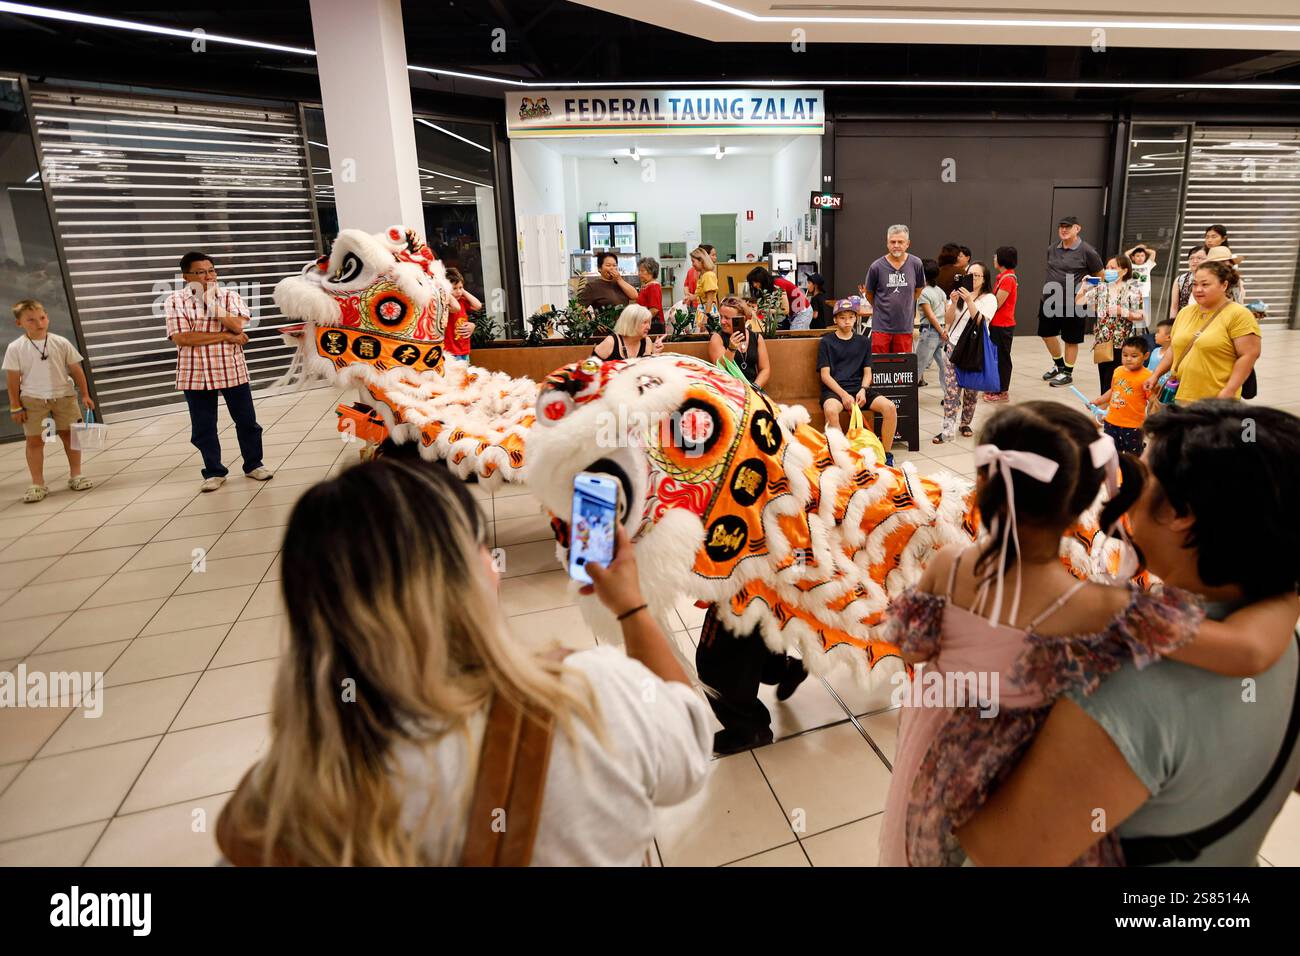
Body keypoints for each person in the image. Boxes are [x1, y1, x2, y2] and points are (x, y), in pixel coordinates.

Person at [216, 457, 713, 866]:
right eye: (481, 548)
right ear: (461, 576)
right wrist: (631, 606)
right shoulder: (591, 700)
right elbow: (689, 742)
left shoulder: (277, 808)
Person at [880, 401, 1298, 866]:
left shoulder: (949, 563)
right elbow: (1247, 651)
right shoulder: (1100, 607)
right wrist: (1287, 597)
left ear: (983, 486)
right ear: (1079, 504)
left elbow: (912, 647)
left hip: (933, 743)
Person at [164, 251, 272, 493]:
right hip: (195, 373)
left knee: (247, 422)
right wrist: (225, 336)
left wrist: (211, 302)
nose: (208, 276)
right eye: (200, 272)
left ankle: (254, 464)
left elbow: (237, 326)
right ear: (186, 277)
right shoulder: (174, 300)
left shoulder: (230, 296)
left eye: (211, 271)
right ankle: (214, 471)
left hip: (231, 369)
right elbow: (182, 338)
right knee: (203, 428)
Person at [5, 299, 95, 503]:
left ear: (48, 318)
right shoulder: (15, 347)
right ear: (19, 323)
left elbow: (76, 370)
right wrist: (15, 406)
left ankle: (76, 474)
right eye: (31, 320)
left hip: (64, 396)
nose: (39, 323)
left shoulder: (61, 342)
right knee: (35, 441)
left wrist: (85, 394)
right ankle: (37, 483)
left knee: (70, 436)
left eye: (42, 317)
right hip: (32, 399)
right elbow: (12, 379)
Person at [1144, 258, 1260, 404]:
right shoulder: (1185, 312)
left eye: (1205, 284)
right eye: (1195, 284)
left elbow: (1248, 355)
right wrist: (1156, 375)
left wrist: (1229, 390)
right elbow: (1174, 349)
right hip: (1177, 395)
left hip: (1214, 400)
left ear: (1224, 285)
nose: (1198, 289)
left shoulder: (1239, 315)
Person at [818, 298, 897, 465]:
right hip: (835, 390)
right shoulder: (826, 342)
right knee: (830, 410)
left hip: (859, 388)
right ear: (835, 319)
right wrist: (843, 395)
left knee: (890, 407)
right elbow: (825, 376)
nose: (847, 321)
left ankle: (885, 455)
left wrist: (863, 389)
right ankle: (840, 457)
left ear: (856, 318)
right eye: (842, 317)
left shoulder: (864, 342)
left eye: (851, 317)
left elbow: (868, 373)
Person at [1038, 216, 1104, 388]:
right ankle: (1059, 365)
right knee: (1046, 334)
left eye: (1068, 227)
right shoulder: (1052, 248)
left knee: (1071, 339)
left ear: (1077, 229)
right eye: (1061, 226)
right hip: (1050, 299)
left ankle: (1067, 373)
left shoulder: (1088, 251)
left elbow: (1100, 276)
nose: (1064, 230)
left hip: (1074, 303)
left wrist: (1085, 293)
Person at [934, 261, 996, 443]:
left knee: (971, 390)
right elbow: (948, 320)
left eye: (977, 275)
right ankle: (947, 430)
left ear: (984, 279)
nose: (973, 278)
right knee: (951, 391)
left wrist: (969, 300)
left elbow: (981, 321)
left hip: (974, 348)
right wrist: (953, 303)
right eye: (970, 275)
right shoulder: (959, 294)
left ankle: (965, 423)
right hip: (954, 346)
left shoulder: (989, 299)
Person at [1076, 253, 1143, 393]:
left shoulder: (1133, 291)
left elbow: (1140, 315)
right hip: (1103, 343)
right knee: (1104, 382)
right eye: (1107, 267)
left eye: (1113, 268)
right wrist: (1084, 286)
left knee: (1117, 382)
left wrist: (1122, 311)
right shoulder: (1101, 288)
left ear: (1124, 271)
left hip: (1122, 344)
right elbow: (1079, 302)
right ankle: (1105, 406)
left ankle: (1114, 405)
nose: (1108, 271)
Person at [864, 224, 925, 355]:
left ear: (908, 244)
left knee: (901, 365)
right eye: (892, 242)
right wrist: (881, 308)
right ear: (887, 243)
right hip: (881, 327)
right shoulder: (876, 267)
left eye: (900, 242)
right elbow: (869, 294)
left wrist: (905, 304)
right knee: (880, 365)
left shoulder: (916, 264)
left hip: (904, 327)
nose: (896, 245)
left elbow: (918, 289)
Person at [1092, 335, 1152, 455]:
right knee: (1111, 453)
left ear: (1145, 356)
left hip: (1133, 426)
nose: (1128, 359)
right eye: (1125, 355)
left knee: (1132, 456)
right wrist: (1098, 401)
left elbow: (1152, 400)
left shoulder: (1148, 377)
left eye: (1134, 356)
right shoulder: (1118, 371)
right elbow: (1112, 391)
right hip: (1111, 422)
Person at [984, 246, 1019, 403]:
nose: (994, 258)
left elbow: (997, 303)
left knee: (1002, 358)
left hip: (1003, 325)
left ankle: (1001, 390)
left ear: (1002, 259)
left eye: (996, 256)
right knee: (995, 356)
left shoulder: (1008, 279)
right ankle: (995, 387)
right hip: (997, 323)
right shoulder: (1003, 277)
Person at [710, 297, 770, 388]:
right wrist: (731, 349)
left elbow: (765, 369)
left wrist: (755, 388)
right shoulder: (717, 338)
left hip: (753, 388)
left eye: (727, 318)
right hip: (729, 389)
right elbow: (720, 369)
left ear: (742, 319)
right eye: (721, 316)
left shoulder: (756, 338)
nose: (722, 321)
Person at [913, 259, 948, 390]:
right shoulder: (940, 291)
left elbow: (931, 316)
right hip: (941, 331)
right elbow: (946, 311)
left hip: (930, 332)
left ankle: (909, 395)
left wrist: (941, 331)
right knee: (944, 366)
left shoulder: (923, 293)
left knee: (918, 366)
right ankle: (949, 395)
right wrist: (944, 331)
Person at [443, 267, 479, 364]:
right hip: (450, 350)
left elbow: (478, 305)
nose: (458, 292)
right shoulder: (446, 304)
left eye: (460, 287)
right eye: (454, 288)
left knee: (464, 371)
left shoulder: (462, 301)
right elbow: (456, 308)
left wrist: (463, 291)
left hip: (463, 348)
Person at [1124, 244, 1157, 349]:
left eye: (1142, 255)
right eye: (1137, 256)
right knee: (1131, 318)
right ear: (1133, 257)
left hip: (1144, 296)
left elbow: (1153, 253)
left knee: (1143, 319)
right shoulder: (1130, 265)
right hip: (1131, 296)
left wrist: (1143, 249)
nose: (1140, 258)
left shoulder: (1148, 265)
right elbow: (1126, 254)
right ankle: (1130, 337)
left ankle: (1141, 340)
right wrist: (1136, 248)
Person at [1169, 244, 1208, 318]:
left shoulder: (1212, 279)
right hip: (1184, 319)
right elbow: (1174, 306)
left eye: (1199, 258)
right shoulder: (1180, 280)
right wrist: (1172, 322)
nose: (1195, 261)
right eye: (1191, 258)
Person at [689, 246, 719, 320]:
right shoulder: (702, 276)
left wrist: (706, 318)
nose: (692, 264)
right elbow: (702, 295)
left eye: (693, 261)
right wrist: (691, 297)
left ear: (701, 261)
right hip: (702, 311)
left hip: (707, 313)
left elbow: (710, 299)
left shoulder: (708, 275)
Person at [635, 257, 664, 333]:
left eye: (642, 271)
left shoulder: (653, 287)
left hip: (653, 326)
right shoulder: (647, 286)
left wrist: (641, 321)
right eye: (639, 271)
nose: (639, 273)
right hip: (648, 325)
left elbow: (654, 310)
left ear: (651, 272)